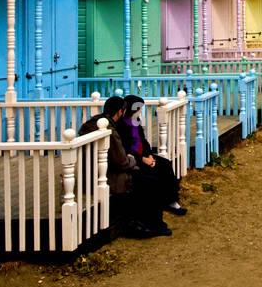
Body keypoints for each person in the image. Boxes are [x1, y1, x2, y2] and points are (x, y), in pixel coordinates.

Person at [79, 95, 170, 237]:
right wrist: (133, 160)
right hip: (109, 176)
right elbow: (122, 162)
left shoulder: (93, 124)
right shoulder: (110, 131)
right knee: (150, 183)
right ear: (120, 112)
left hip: (89, 173)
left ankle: (147, 221)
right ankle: (154, 225)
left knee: (152, 175)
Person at [117, 95, 187, 217]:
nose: (140, 111)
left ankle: (171, 200)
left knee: (166, 164)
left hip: (144, 155)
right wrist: (142, 159)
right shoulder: (122, 126)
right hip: (133, 159)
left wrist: (149, 155)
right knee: (151, 172)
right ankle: (159, 203)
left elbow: (143, 141)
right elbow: (125, 148)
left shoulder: (136, 122)